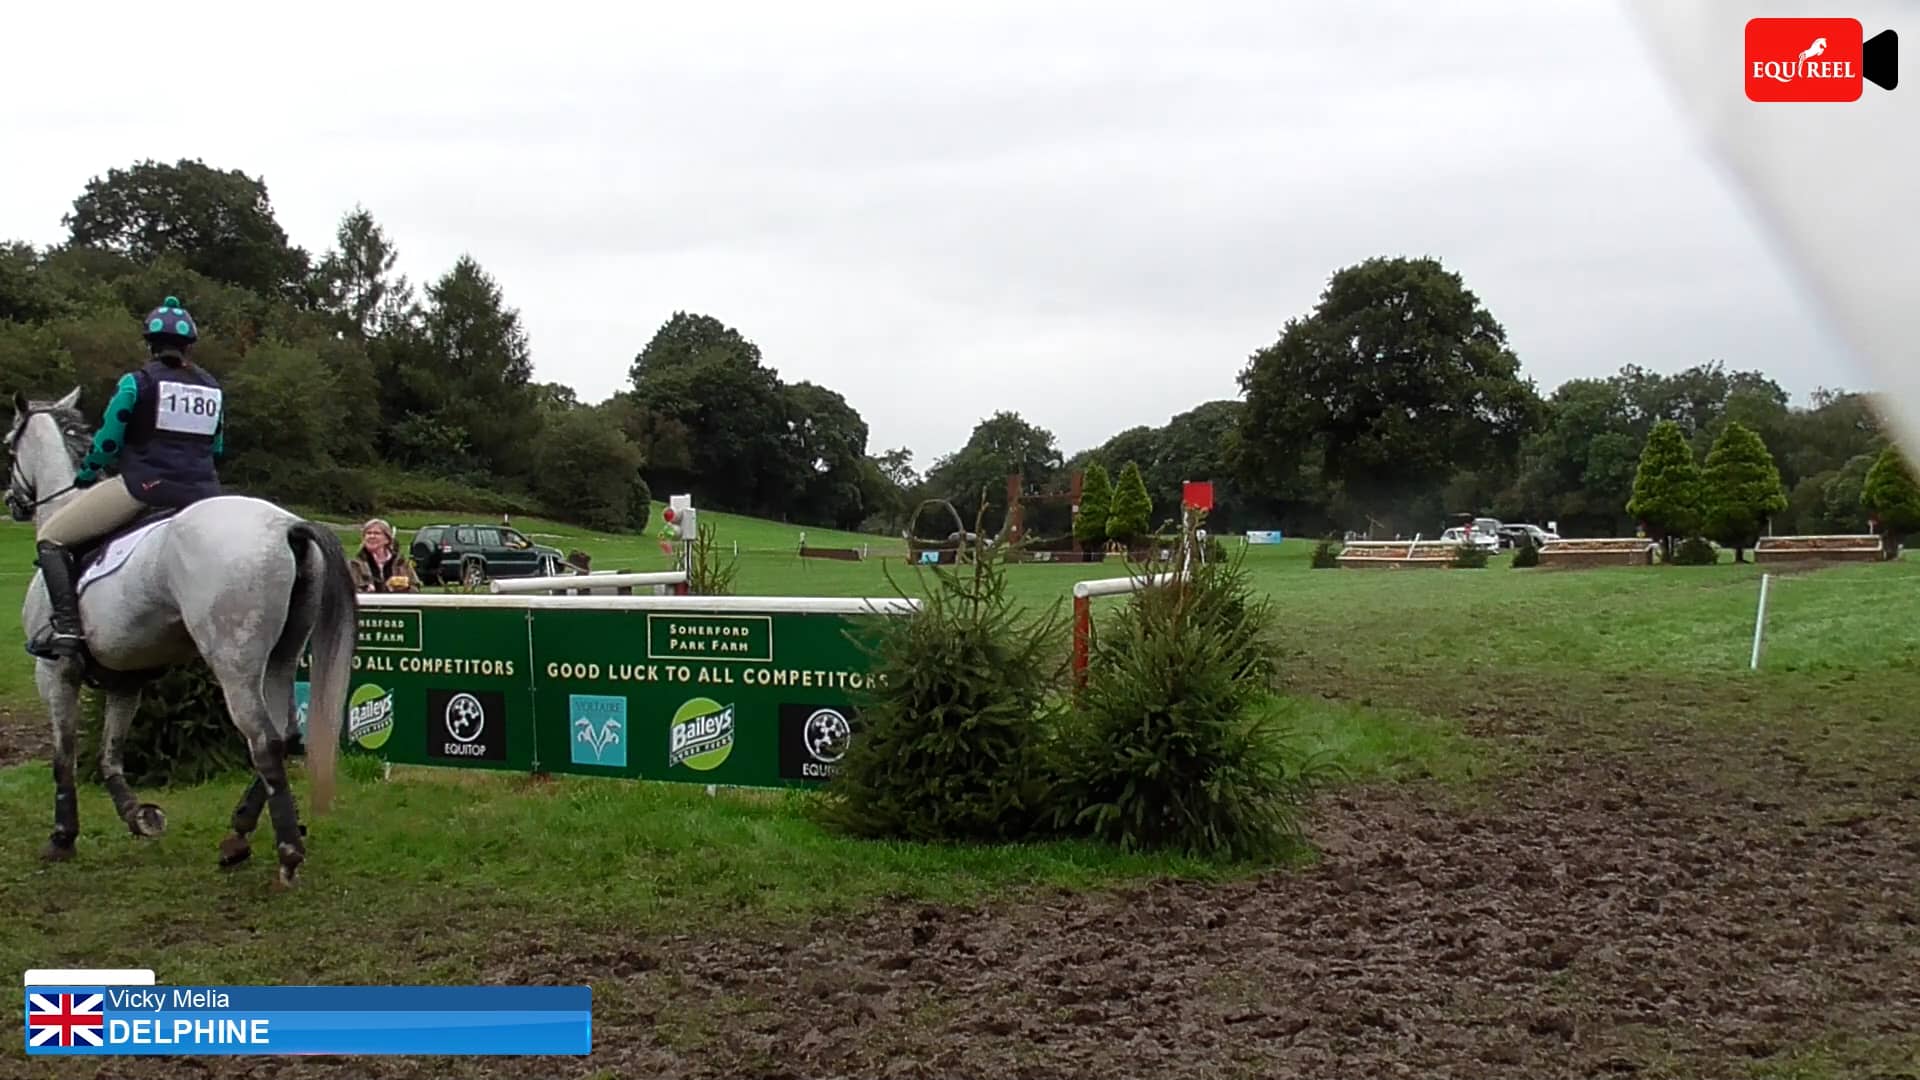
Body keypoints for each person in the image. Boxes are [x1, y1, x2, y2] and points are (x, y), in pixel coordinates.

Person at [33, 296, 224, 659]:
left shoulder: (136, 383)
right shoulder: (212, 388)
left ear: (150, 343)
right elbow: (217, 447)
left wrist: (88, 473)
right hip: (204, 493)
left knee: (51, 538)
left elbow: (108, 440)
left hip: (146, 487)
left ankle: (68, 628)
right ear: (188, 346)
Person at [352, 519, 417, 593]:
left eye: (377, 533)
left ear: (387, 539)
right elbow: (346, 590)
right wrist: (365, 591)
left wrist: (404, 588)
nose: (372, 536)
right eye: (368, 533)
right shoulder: (355, 564)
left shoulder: (401, 563)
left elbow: (415, 588)